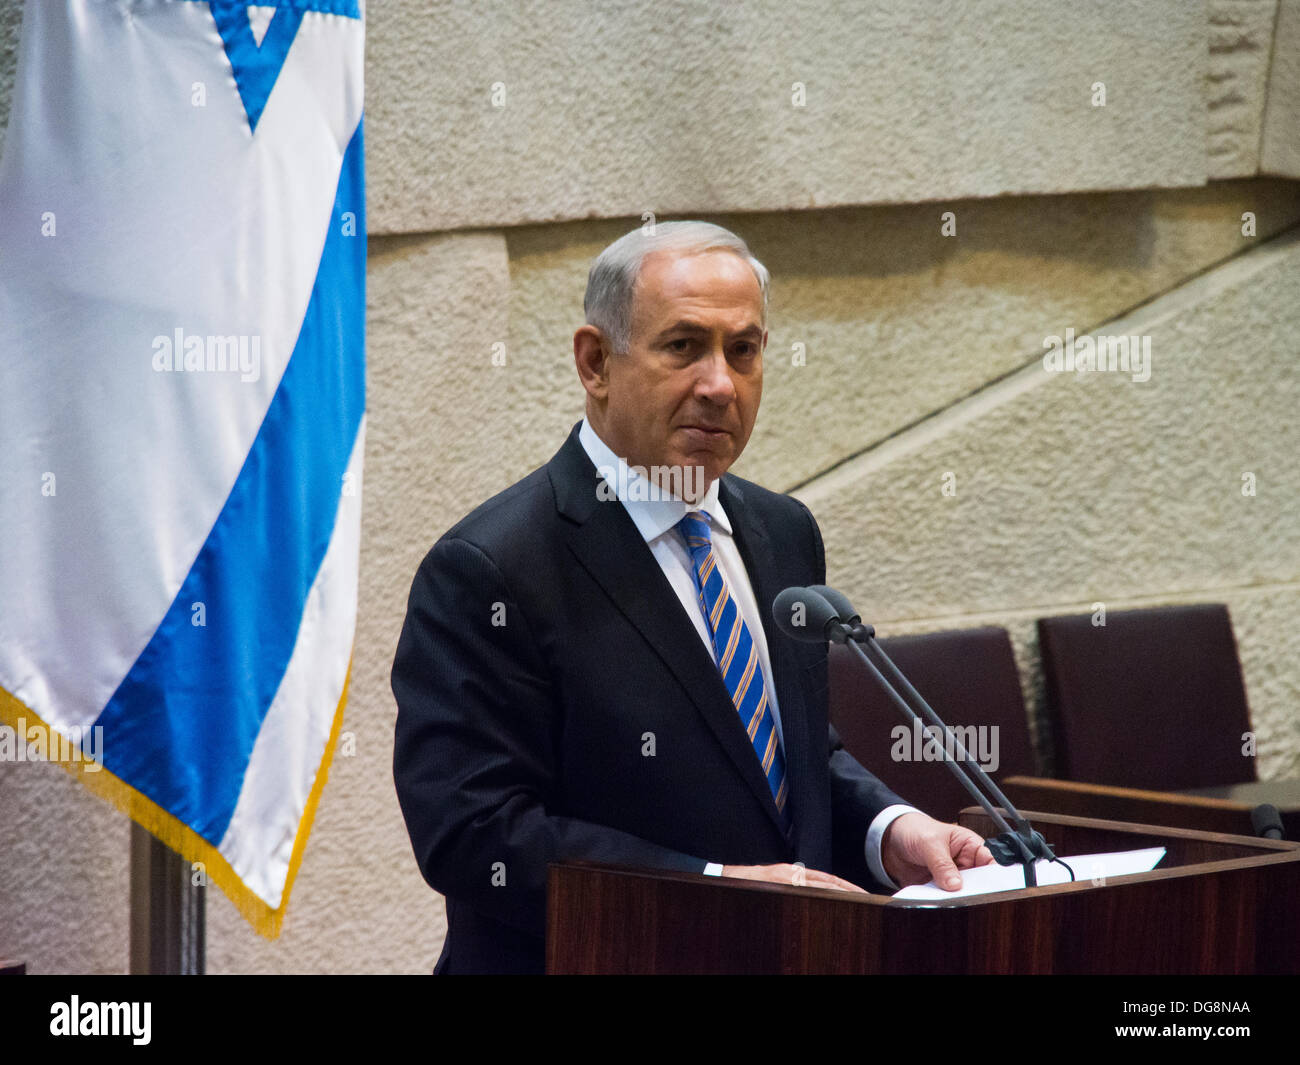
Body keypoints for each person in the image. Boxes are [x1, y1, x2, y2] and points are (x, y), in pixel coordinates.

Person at [392, 221, 992, 974]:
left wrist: (890, 829)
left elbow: (786, 756)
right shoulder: (491, 567)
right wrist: (713, 890)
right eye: (683, 346)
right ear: (595, 362)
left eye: (743, 350)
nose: (720, 385)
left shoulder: (783, 530)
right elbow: (474, 834)